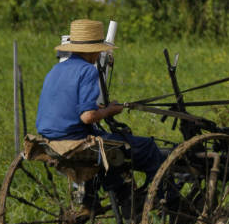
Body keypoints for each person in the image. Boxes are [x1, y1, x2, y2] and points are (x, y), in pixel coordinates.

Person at [35, 18, 167, 179]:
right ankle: (165, 197)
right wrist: (110, 110)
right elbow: (87, 117)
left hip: (49, 136)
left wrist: (101, 109)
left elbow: (68, 106)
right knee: (148, 147)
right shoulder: (88, 70)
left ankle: (97, 196)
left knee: (110, 144)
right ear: (94, 51)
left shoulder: (56, 69)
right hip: (74, 138)